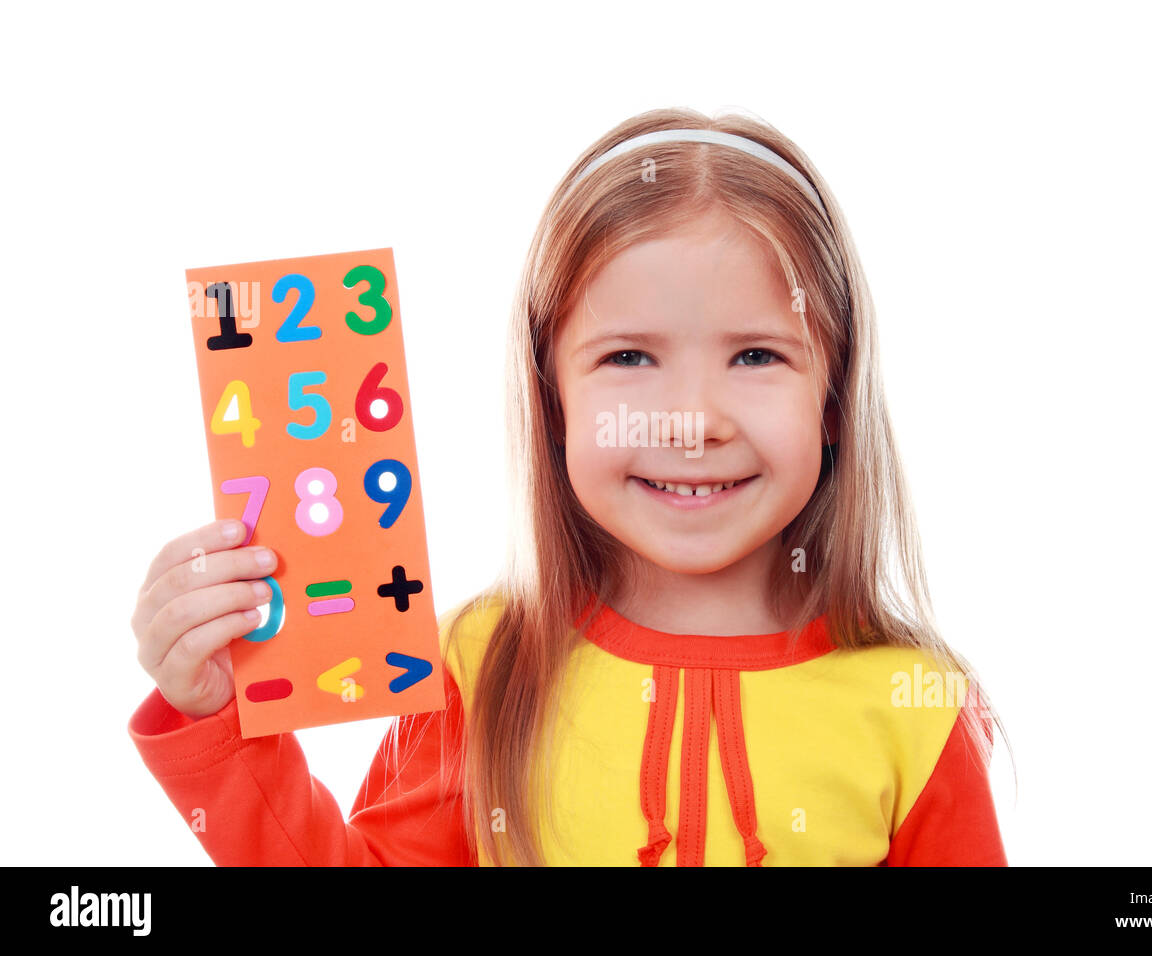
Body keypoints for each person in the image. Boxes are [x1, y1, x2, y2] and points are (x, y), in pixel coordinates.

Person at [129, 107, 1012, 866]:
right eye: (628, 357)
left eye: (757, 355)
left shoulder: (918, 707)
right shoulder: (485, 665)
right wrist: (213, 716)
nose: (689, 421)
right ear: (552, 400)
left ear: (833, 394)